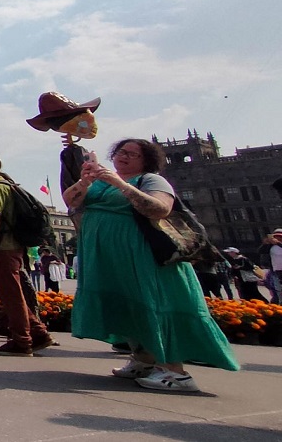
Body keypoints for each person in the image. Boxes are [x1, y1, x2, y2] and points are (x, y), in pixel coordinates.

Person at [63, 138, 238, 391]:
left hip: (144, 256)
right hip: (111, 260)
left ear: (146, 160)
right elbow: (72, 201)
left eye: (132, 154)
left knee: (154, 304)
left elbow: (159, 209)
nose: (124, 156)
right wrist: (85, 180)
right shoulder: (99, 182)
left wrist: (120, 184)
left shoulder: (151, 180)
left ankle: (175, 373)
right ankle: (143, 359)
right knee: (129, 305)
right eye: (121, 151)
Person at [0, 153, 53, 356]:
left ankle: (22, 341)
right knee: (11, 293)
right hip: (12, 245)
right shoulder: (8, 185)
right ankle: (38, 333)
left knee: (11, 295)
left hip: (5, 246)